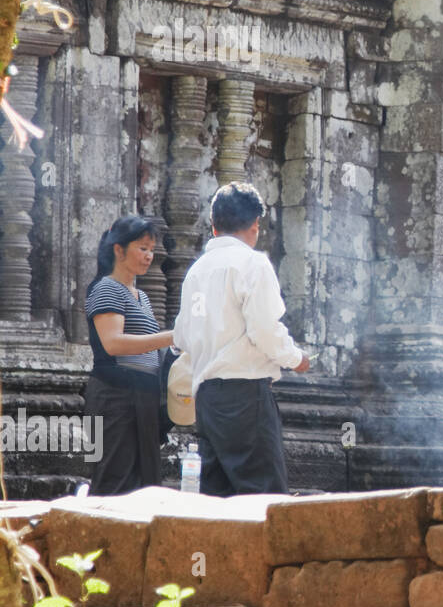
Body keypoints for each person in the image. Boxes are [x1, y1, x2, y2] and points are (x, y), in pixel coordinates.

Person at [172, 182, 309, 496]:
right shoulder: (252, 264)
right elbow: (264, 330)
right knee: (262, 497)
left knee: (216, 496)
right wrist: (296, 359)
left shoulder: (196, 271)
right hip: (246, 396)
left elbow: (181, 336)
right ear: (255, 225)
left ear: (214, 225)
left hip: (207, 398)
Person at [84, 215, 174, 494]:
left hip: (142, 397)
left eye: (151, 249)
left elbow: (149, 347)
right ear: (118, 250)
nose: (149, 256)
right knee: (115, 481)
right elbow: (114, 344)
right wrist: (174, 335)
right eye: (142, 248)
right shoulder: (106, 288)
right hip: (115, 398)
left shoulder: (141, 296)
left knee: (144, 485)